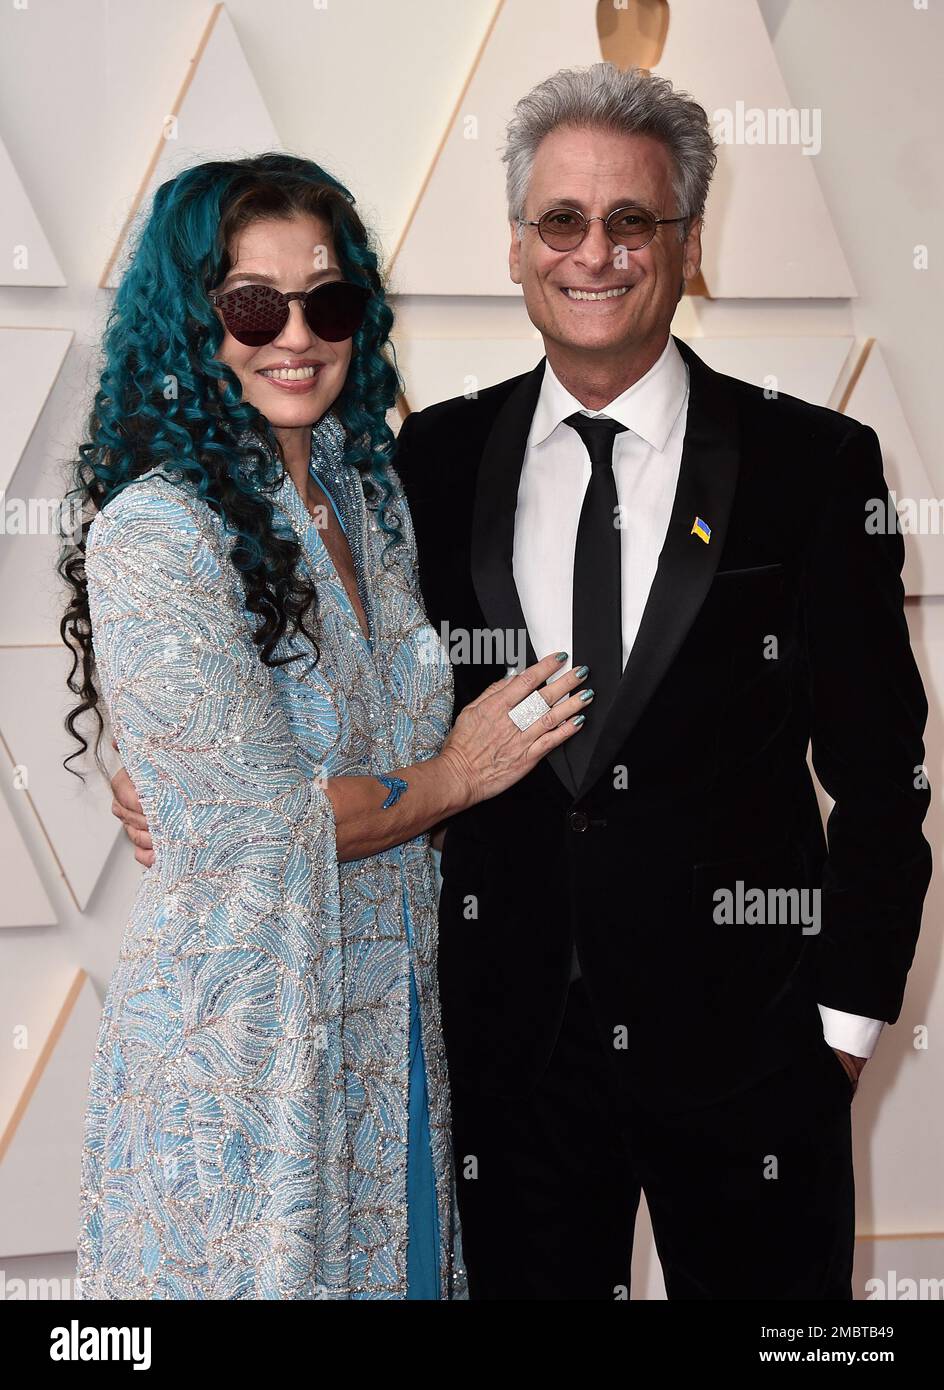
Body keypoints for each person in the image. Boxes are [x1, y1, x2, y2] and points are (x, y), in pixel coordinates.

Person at [391, 64, 932, 1299]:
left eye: (631, 221)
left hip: (755, 1062)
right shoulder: (432, 457)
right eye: (561, 222)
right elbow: (362, 691)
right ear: (519, 247)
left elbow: (879, 774)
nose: (595, 253)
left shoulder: (812, 462)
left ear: (686, 246)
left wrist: (839, 1032)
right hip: (508, 1064)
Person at [61, 152, 590, 1300]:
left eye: (328, 300)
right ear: (194, 322)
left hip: (392, 1031)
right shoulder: (156, 534)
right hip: (248, 1052)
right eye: (253, 304)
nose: (294, 335)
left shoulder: (370, 493)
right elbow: (261, 826)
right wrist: (455, 776)